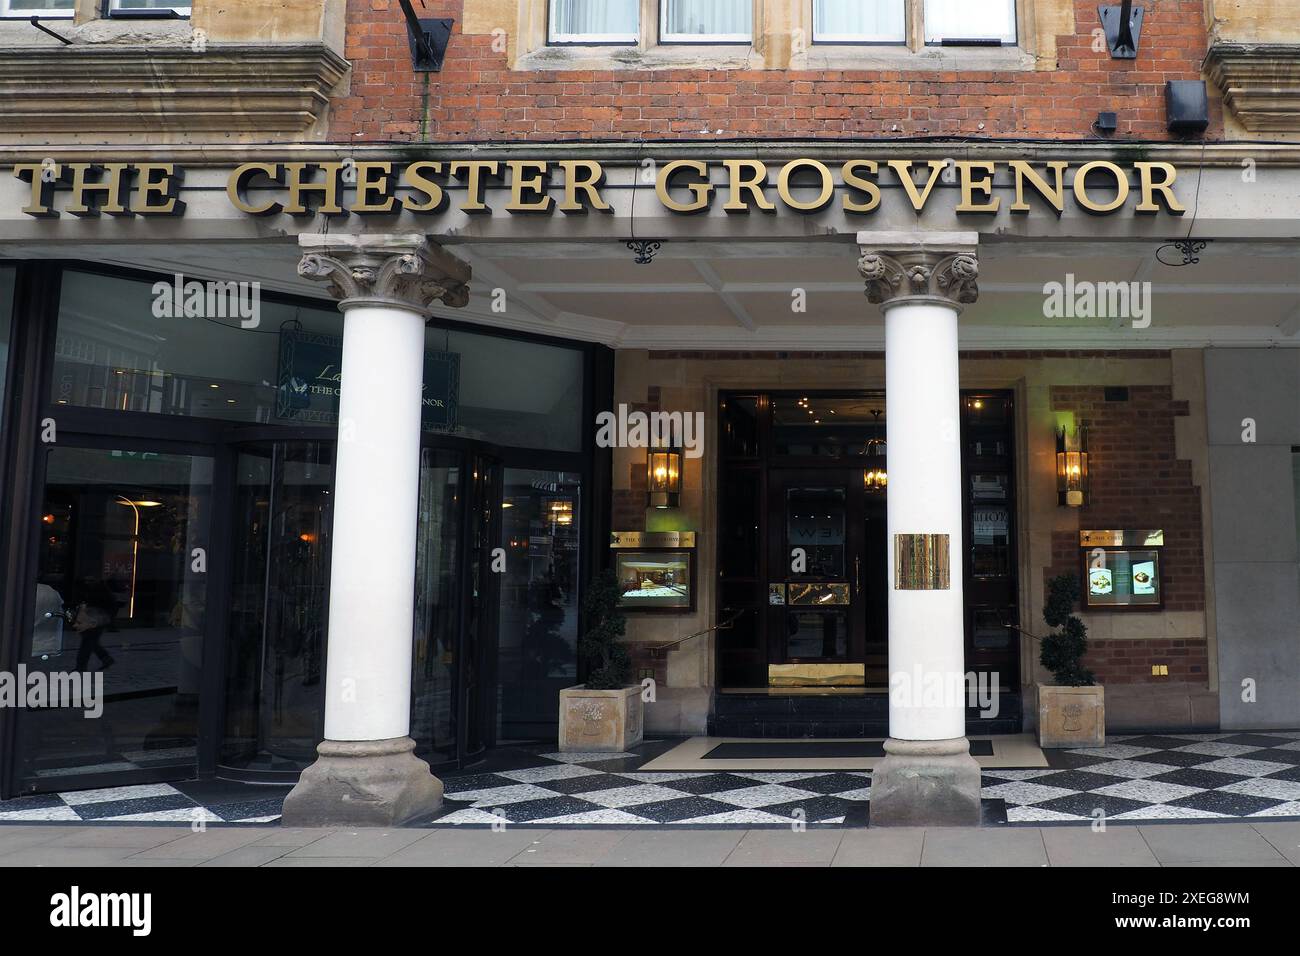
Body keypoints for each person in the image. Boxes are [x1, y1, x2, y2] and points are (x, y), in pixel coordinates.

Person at [70, 578, 117, 672]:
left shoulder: (96, 593)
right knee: (91, 642)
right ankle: (106, 659)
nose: (88, 582)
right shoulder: (98, 592)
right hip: (94, 619)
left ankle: (82, 666)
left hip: (95, 620)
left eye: (90, 580)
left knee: (87, 642)